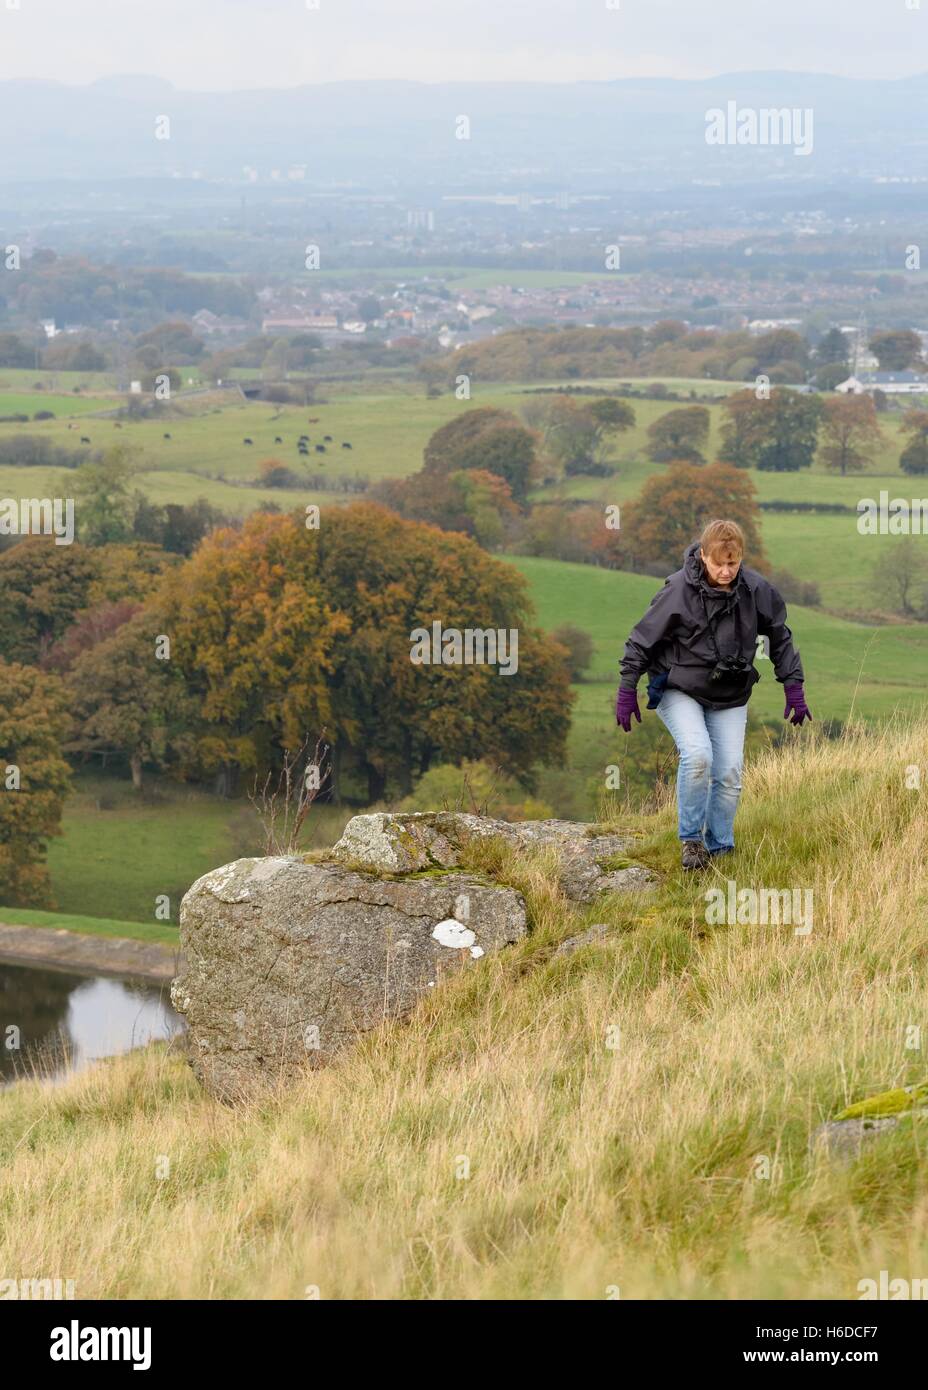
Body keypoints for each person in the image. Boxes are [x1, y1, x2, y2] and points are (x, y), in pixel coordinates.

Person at [615, 519, 811, 871]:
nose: (725, 571)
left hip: (730, 691)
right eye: (718, 563)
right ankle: (691, 842)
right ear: (703, 555)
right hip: (678, 686)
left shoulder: (755, 590)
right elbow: (641, 640)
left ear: (741, 558)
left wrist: (793, 687)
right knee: (698, 755)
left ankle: (719, 847)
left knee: (731, 771)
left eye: (732, 564)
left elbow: (779, 637)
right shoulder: (677, 591)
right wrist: (627, 689)